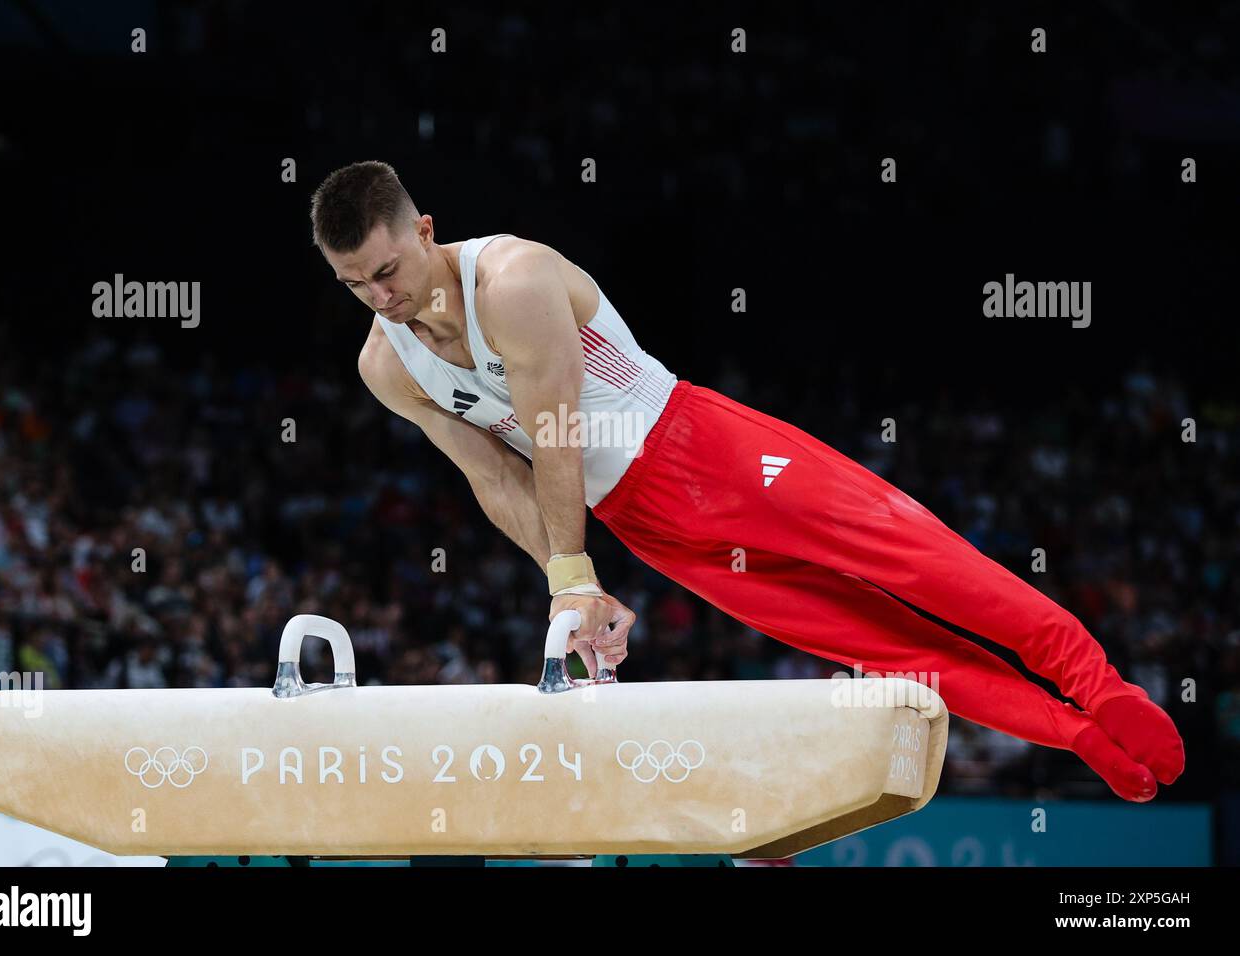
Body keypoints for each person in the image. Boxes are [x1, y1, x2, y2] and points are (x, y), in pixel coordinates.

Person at [309, 160, 1184, 802]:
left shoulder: (513, 279)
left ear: (425, 231)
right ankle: (1077, 735)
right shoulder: (387, 367)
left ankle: (1099, 685)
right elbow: (494, 473)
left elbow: (556, 430)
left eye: (387, 271)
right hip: (640, 523)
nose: (380, 298)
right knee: (875, 648)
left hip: (707, 450)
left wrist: (572, 572)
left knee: (923, 565)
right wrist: (570, 583)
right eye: (354, 285)